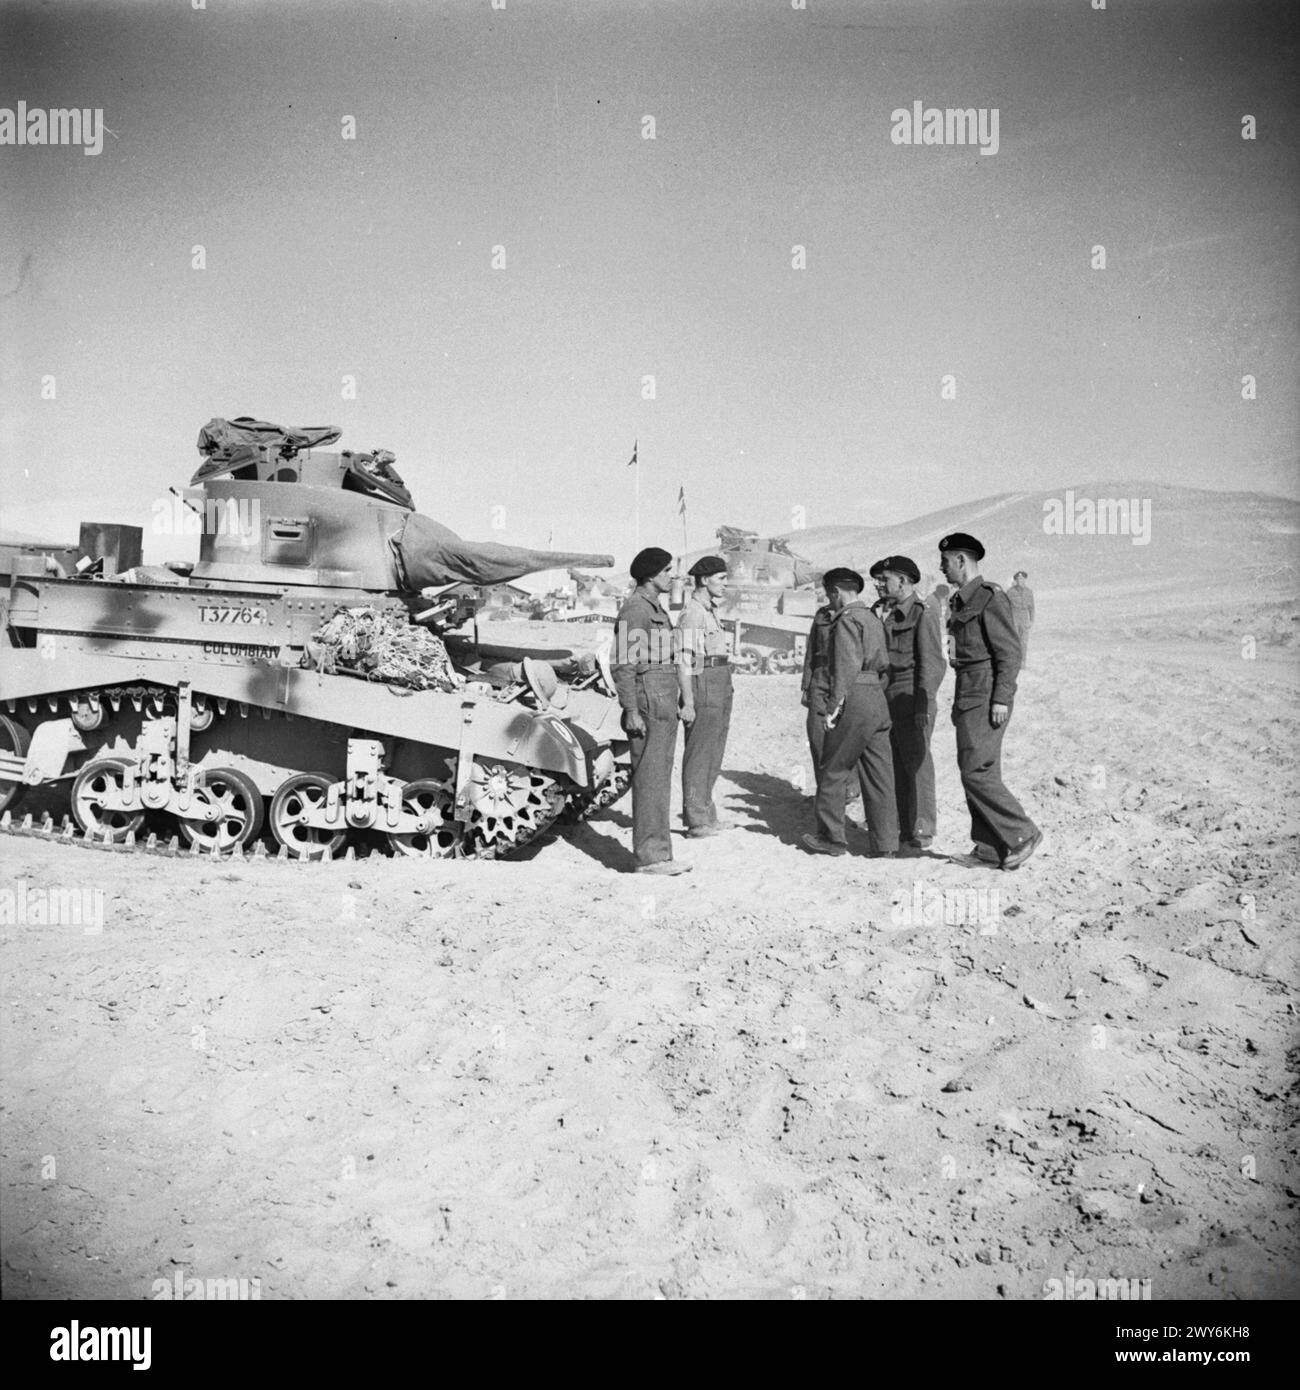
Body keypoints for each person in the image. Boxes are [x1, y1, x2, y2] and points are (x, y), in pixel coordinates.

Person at [938, 533, 1042, 870]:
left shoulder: (989, 597)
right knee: (979, 768)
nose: (942, 569)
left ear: (961, 561)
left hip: (985, 692)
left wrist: (1001, 699)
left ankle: (1022, 834)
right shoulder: (959, 601)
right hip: (967, 690)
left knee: (976, 770)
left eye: (945, 562)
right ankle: (988, 848)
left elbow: (1009, 654)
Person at [801, 568, 898, 858]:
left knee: (832, 767)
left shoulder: (845, 621)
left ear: (836, 593)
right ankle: (886, 844)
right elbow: (883, 663)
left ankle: (831, 839)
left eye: (829, 595)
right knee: (879, 773)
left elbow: (844, 668)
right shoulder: (871, 617)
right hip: (876, 696)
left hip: (854, 694)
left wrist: (834, 707)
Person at [611, 547, 690, 875]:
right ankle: (650, 857)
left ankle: (659, 853)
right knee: (650, 778)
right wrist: (630, 709)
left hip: (662, 693)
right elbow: (623, 663)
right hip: (647, 698)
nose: (672, 576)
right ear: (651, 575)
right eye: (667, 570)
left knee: (658, 778)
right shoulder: (635, 609)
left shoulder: (653, 607)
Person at [879, 555, 945, 856]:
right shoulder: (888, 614)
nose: (880, 585)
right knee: (896, 763)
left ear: (903, 582)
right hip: (890, 694)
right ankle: (905, 829)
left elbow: (932, 663)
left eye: (885, 579)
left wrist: (923, 704)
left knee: (917, 762)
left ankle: (922, 830)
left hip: (912, 694)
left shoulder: (924, 611)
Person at [677, 555, 733, 837]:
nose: (725, 584)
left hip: (721, 679)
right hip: (704, 680)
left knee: (714, 750)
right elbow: (684, 659)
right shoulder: (693, 613)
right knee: (700, 752)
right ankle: (697, 821)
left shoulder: (710, 610)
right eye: (721, 578)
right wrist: (687, 701)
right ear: (703, 580)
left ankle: (707, 816)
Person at [800, 581, 835, 772]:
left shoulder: (855, 616)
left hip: (845, 681)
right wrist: (806, 685)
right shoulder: (822, 615)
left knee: (844, 739)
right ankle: (824, 791)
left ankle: (849, 789)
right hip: (820, 680)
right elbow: (811, 651)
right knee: (816, 735)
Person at [1008, 570, 1035, 669]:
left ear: (1025, 580)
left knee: (1024, 642)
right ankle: (1015, 662)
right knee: (1014, 641)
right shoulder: (1010, 592)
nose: (1021, 581)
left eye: (1022, 579)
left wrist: (1031, 620)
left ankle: (1023, 662)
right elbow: (1006, 607)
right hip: (1014, 617)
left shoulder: (1029, 592)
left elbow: (1032, 607)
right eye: (1019, 579)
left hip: (1024, 618)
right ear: (1015, 580)